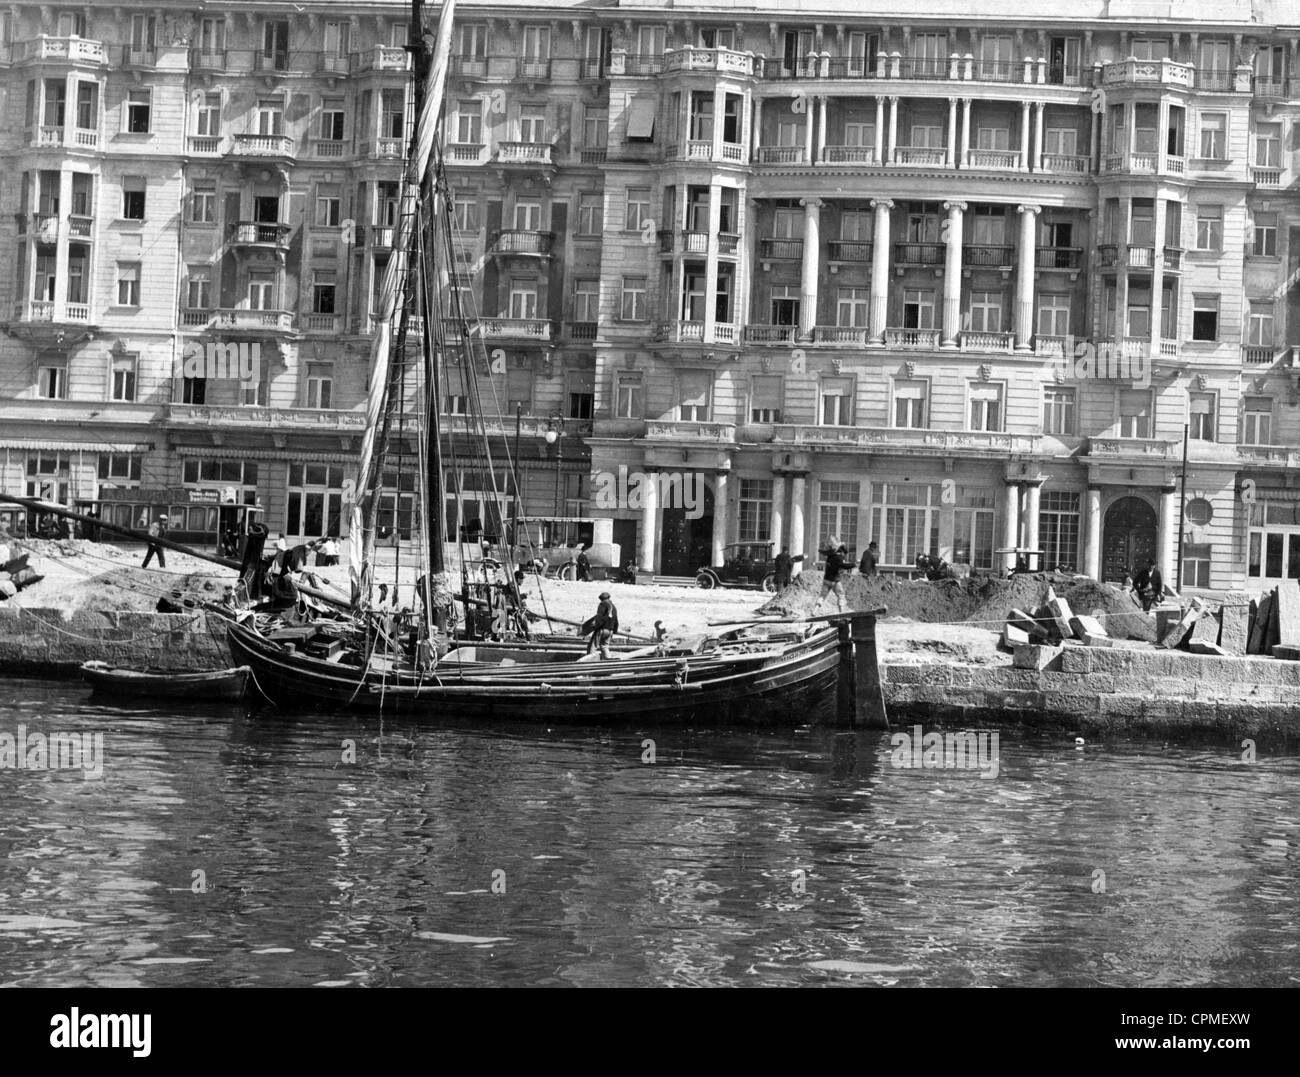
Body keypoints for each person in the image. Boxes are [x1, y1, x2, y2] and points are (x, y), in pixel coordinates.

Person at [585, 591, 619, 658]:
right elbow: (616, 619)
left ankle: (589, 662)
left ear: (601, 599)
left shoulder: (603, 604)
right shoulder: (614, 607)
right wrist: (615, 630)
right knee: (604, 647)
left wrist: (596, 626)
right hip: (610, 630)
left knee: (593, 646)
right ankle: (608, 661)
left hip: (602, 629)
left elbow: (600, 617)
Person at [819, 543, 850, 613]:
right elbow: (841, 568)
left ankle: (814, 611)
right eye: (844, 554)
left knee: (822, 596)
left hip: (826, 580)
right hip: (835, 581)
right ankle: (841, 612)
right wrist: (853, 565)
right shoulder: (839, 558)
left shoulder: (829, 557)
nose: (844, 556)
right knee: (841, 595)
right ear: (842, 552)